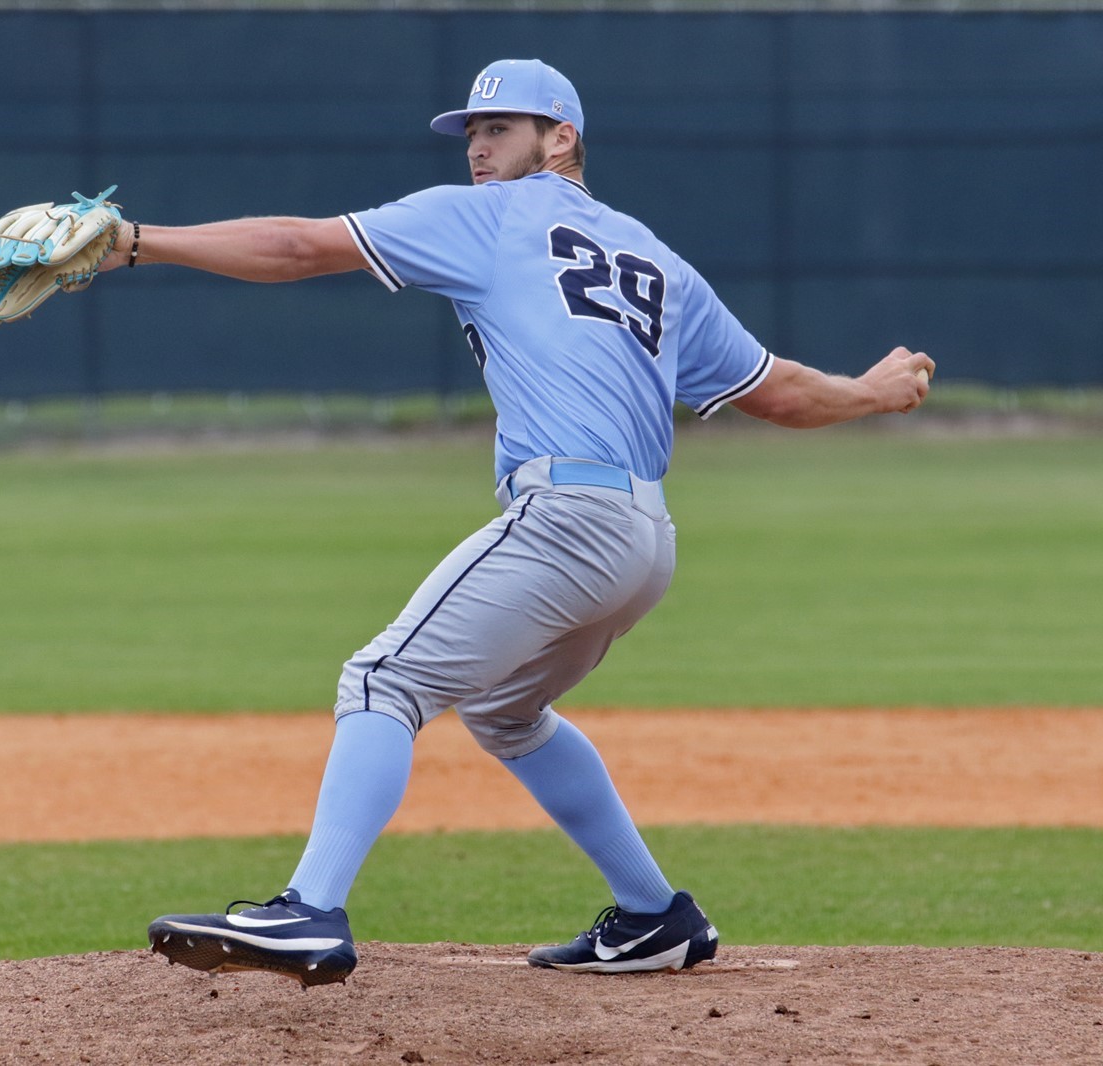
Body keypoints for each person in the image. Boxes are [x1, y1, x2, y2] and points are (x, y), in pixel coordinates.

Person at [100, 58, 933, 986]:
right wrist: (869, 392)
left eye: (499, 129)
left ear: (561, 138)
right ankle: (656, 915)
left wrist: (136, 240)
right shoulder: (654, 257)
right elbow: (776, 391)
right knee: (504, 710)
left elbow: (298, 246)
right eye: (472, 133)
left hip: (568, 517)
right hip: (644, 538)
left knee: (380, 680)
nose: (479, 148)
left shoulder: (494, 217)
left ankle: (310, 911)